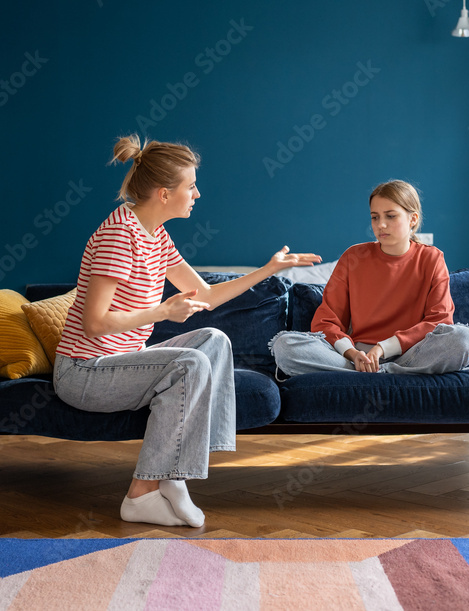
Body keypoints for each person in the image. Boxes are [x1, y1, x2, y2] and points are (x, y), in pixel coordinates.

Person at [53, 134, 320, 528]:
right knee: (190, 364)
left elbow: (207, 297)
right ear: (164, 194)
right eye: (190, 186)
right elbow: (94, 323)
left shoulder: (156, 235)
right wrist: (161, 311)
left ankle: (175, 473)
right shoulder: (119, 236)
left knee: (214, 340)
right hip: (84, 371)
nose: (197, 194)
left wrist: (268, 270)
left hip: (120, 360)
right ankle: (142, 495)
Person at [270, 179, 469, 376]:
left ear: (413, 219)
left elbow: (439, 320)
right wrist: (353, 354)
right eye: (375, 217)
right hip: (357, 357)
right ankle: (378, 372)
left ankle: (378, 372)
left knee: (463, 338)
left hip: (412, 353)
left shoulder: (432, 258)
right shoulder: (353, 257)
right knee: (285, 345)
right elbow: (326, 321)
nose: (381, 225)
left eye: (390, 216)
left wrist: (382, 349)